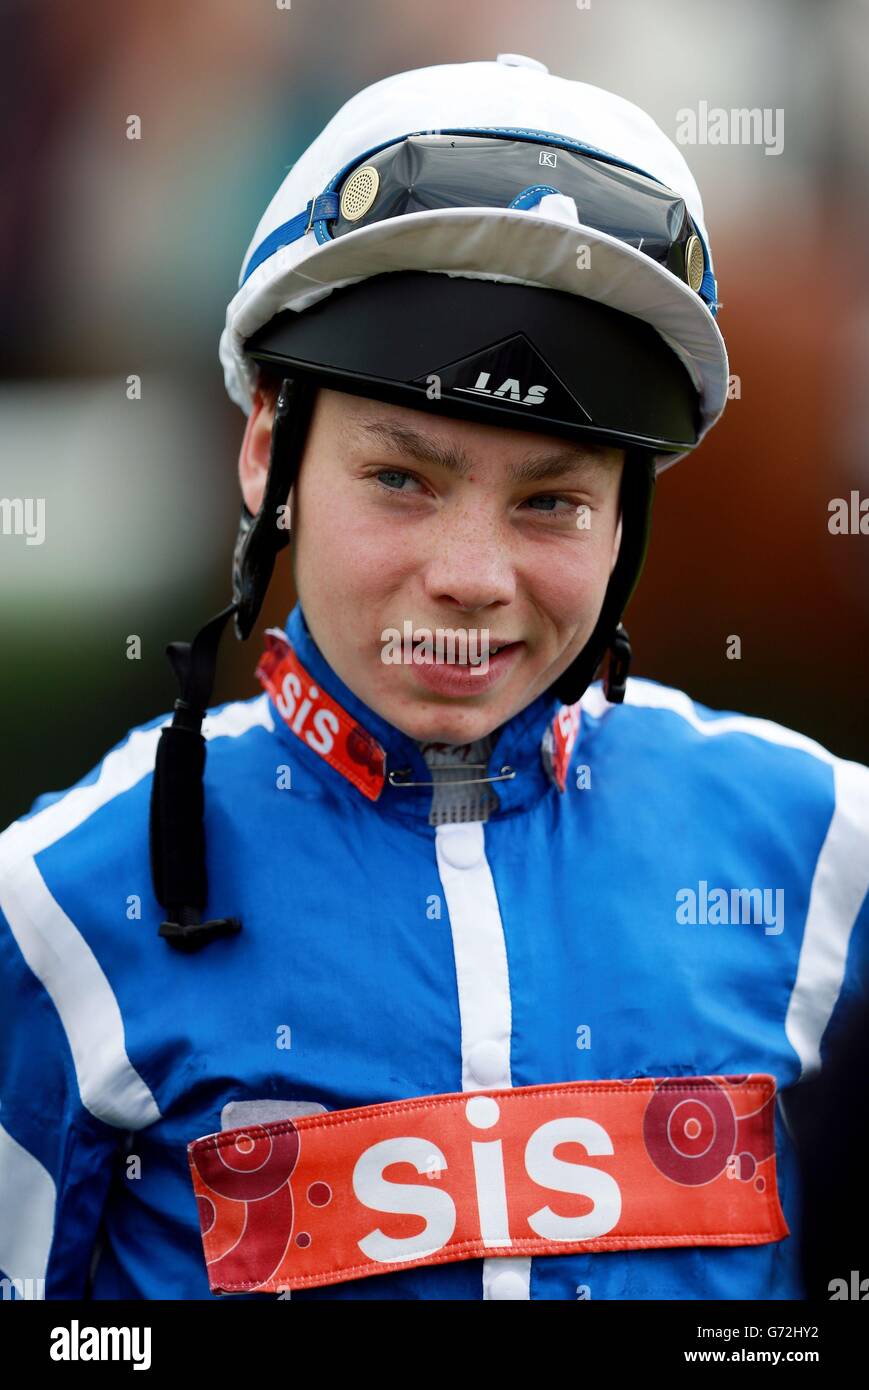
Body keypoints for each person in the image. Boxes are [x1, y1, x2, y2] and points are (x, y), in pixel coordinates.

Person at [1, 54, 866, 1303]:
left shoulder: (822, 848)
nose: (471, 575)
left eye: (552, 500)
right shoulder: (63, 902)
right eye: (402, 478)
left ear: (630, 522)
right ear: (268, 456)